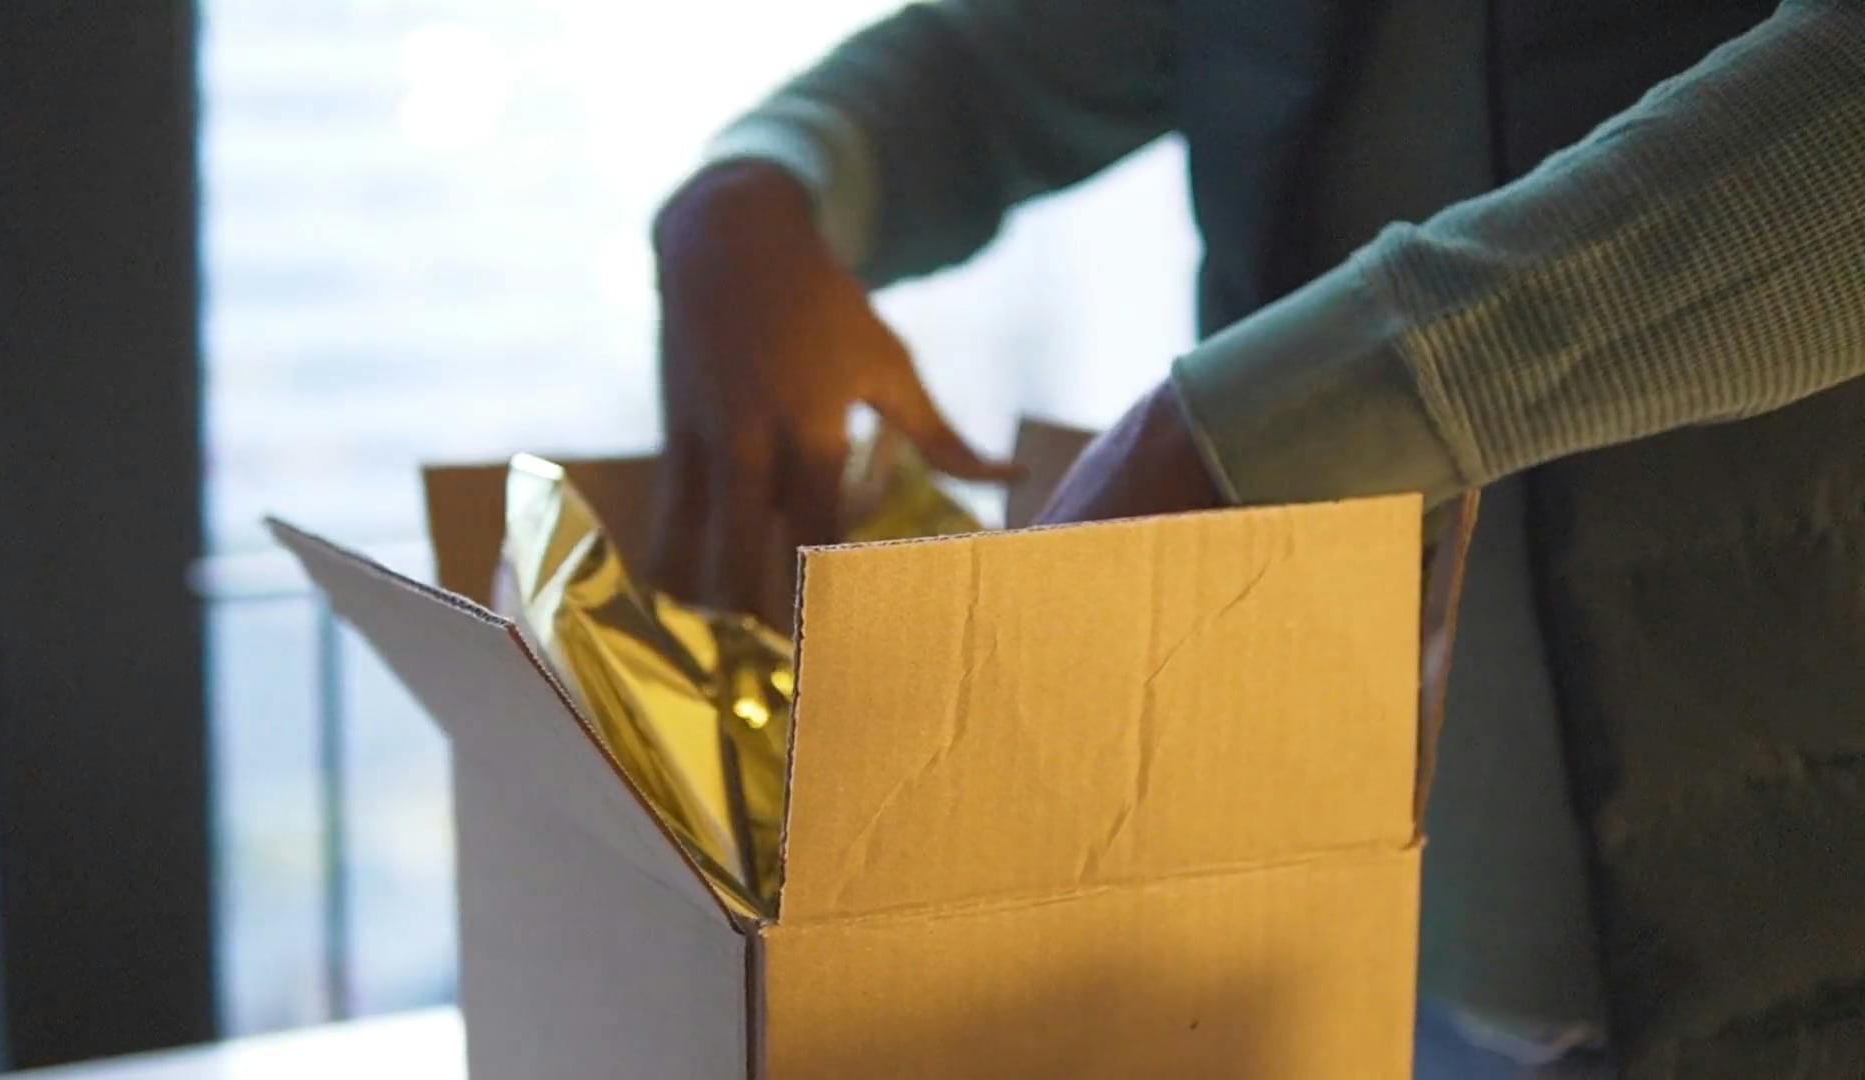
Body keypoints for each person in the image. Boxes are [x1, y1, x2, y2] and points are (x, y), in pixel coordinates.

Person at [645, 2, 1865, 1076]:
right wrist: (759, 186)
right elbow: (1012, 60)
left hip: (1791, 970)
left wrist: (1258, 428)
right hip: (1349, 969)